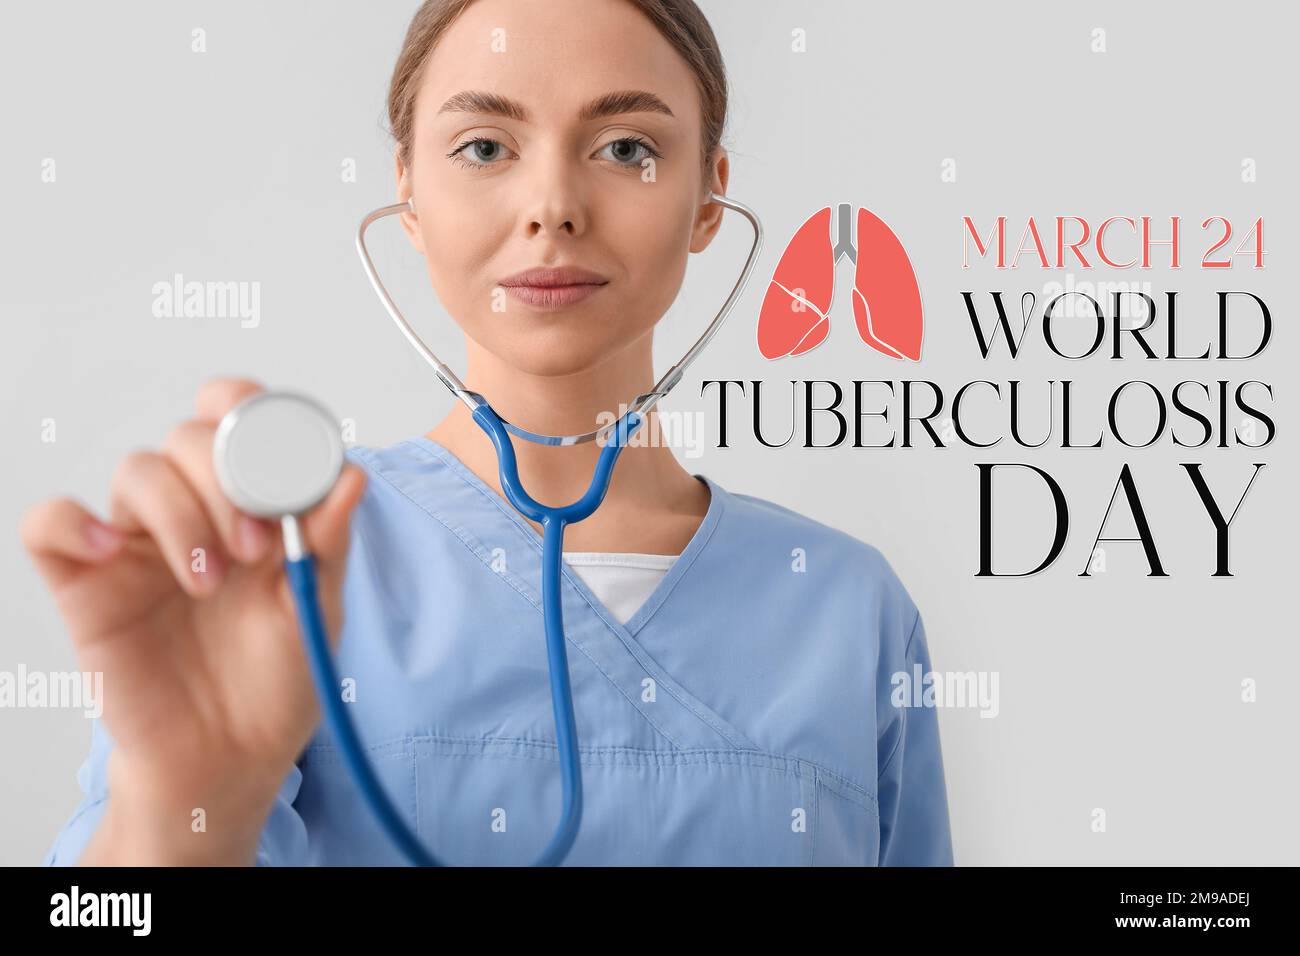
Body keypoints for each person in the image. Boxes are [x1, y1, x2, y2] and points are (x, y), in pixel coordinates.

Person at [27, 0, 952, 866]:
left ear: (709, 196)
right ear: (408, 191)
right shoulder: (280, 563)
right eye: (483, 147)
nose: (552, 205)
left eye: (626, 146)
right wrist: (182, 804)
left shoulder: (847, 608)